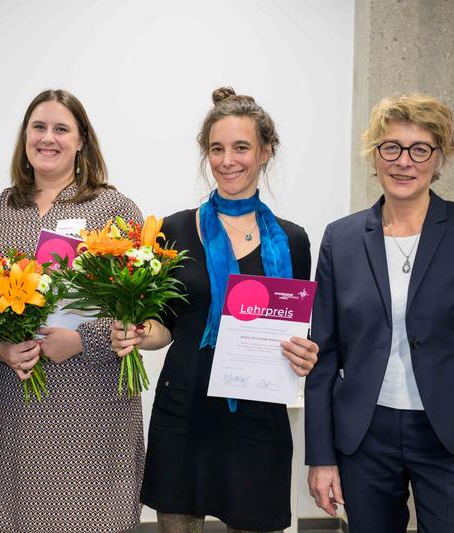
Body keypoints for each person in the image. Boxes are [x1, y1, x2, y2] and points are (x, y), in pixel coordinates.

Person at [305, 93, 454, 532]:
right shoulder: (342, 238)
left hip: (453, 433)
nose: (403, 161)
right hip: (364, 436)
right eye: (391, 147)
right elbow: (324, 354)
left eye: (419, 149)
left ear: (439, 158)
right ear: (375, 156)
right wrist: (321, 457)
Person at [111, 87, 319, 533]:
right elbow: (165, 324)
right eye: (216, 149)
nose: (228, 160)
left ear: (265, 152)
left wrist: (306, 353)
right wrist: (136, 333)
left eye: (241, 147)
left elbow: (297, 330)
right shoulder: (174, 230)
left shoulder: (294, 240)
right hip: (184, 414)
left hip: (257, 417)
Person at [0, 89, 144, 533]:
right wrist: (1, 347)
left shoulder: (115, 209)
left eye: (61, 129)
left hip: (96, 407)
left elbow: (142, 311)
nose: (49, 138)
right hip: (19, 405)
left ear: (82, 139)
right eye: (38, 128)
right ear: (25, 137)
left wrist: (85, 340)